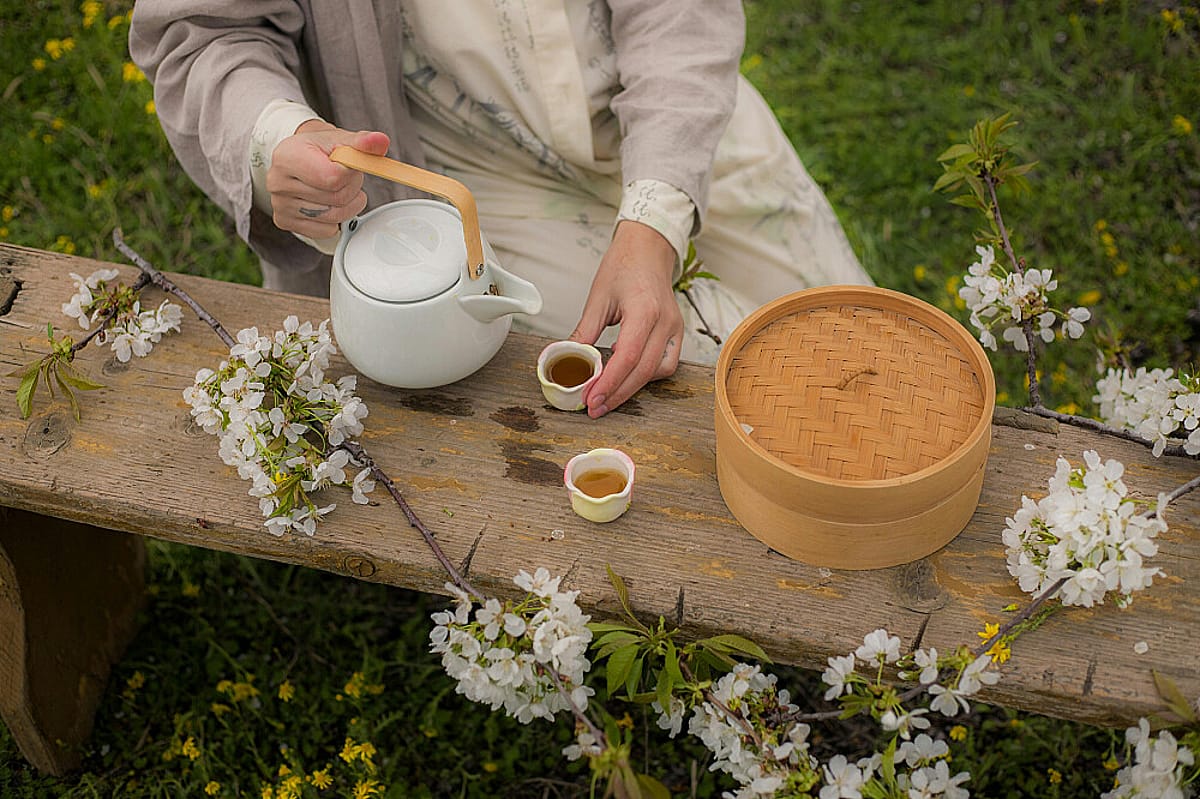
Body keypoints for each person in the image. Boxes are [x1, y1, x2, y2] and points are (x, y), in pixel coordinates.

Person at [129, 1, 871, 418]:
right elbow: (201, 35)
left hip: (666, 112)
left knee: (856, 346)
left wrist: (654, 222)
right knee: (698, 386)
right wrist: (275, 135)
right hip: (455, 165)